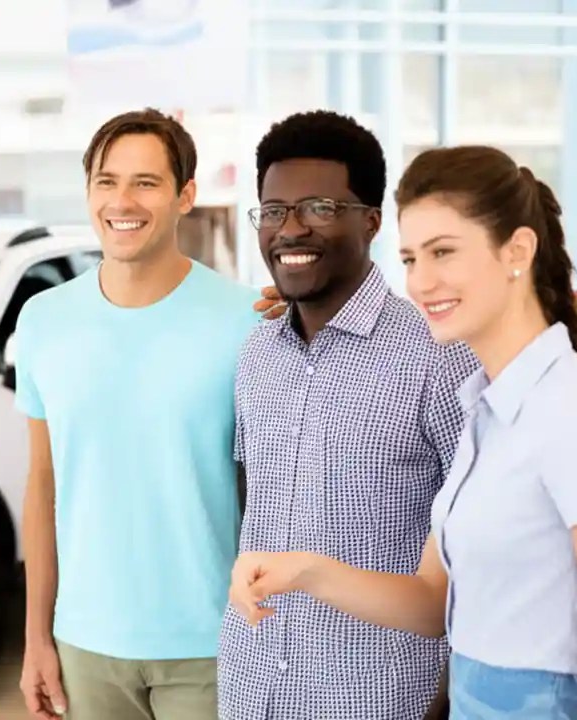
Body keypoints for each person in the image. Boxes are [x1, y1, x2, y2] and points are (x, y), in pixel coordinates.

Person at [229, 144, 577, 719]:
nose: (422, 282)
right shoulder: (485, 411)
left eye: (443, 253)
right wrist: (304, 570)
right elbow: (434, 601)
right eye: (409, 260)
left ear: (518, 251)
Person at [217, 110, 478, 720]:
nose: (291, 229)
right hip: (252, 687)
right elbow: (255, 503)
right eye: (275, 211)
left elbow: (481, 554)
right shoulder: (258, 351)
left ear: (372, 221)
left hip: (379, 699)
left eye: (319, 209)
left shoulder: (437, 356)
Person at [14, 107, 260, 719]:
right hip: (84, 645)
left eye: (145, 182)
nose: (122, 200)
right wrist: (35, 637)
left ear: (185, 196)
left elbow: (270, 489)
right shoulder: (43, 320)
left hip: (211, 644)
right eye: (106, 181)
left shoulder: (247, 320)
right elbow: (42, 486)